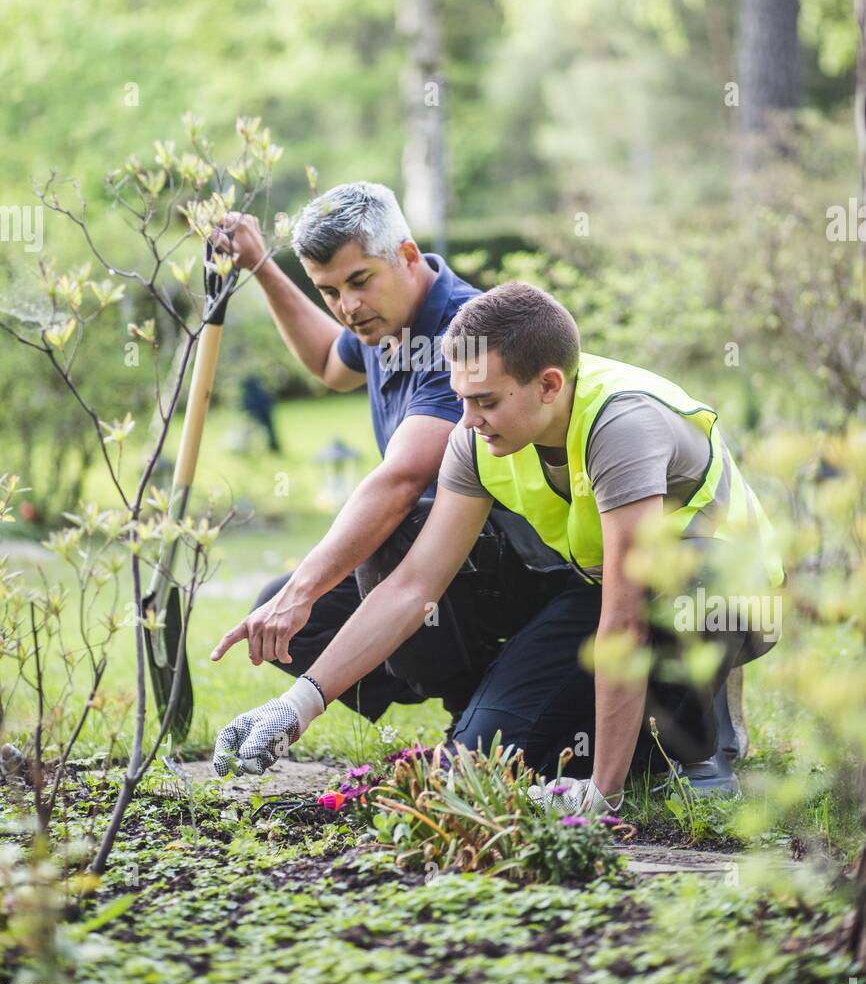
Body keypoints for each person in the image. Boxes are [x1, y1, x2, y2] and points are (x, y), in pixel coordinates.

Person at [213, 281, 784, 815]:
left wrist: (601, 797)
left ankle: (696, 746)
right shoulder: (474, 437)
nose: (467, 421)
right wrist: (298, 705)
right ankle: (624, 743)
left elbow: (625, 620)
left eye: (485, 400)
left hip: (720, 589)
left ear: (549, 385)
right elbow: (414, 587)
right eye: (461, 398)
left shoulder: (622, 425)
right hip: (601, 585)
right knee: (484, 757)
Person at [209, 184, 573, 729]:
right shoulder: (384, 324)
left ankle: (488, 695)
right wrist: (261, 264)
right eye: (329, 291)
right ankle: (473, 687)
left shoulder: (463, 333)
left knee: (389, 535)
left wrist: (304, 589)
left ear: (406, 256)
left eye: (359, 281)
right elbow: (331, 364)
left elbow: (404, 480)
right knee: (289, 616)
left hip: (518, 567)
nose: (347, 307)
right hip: (444, 572)